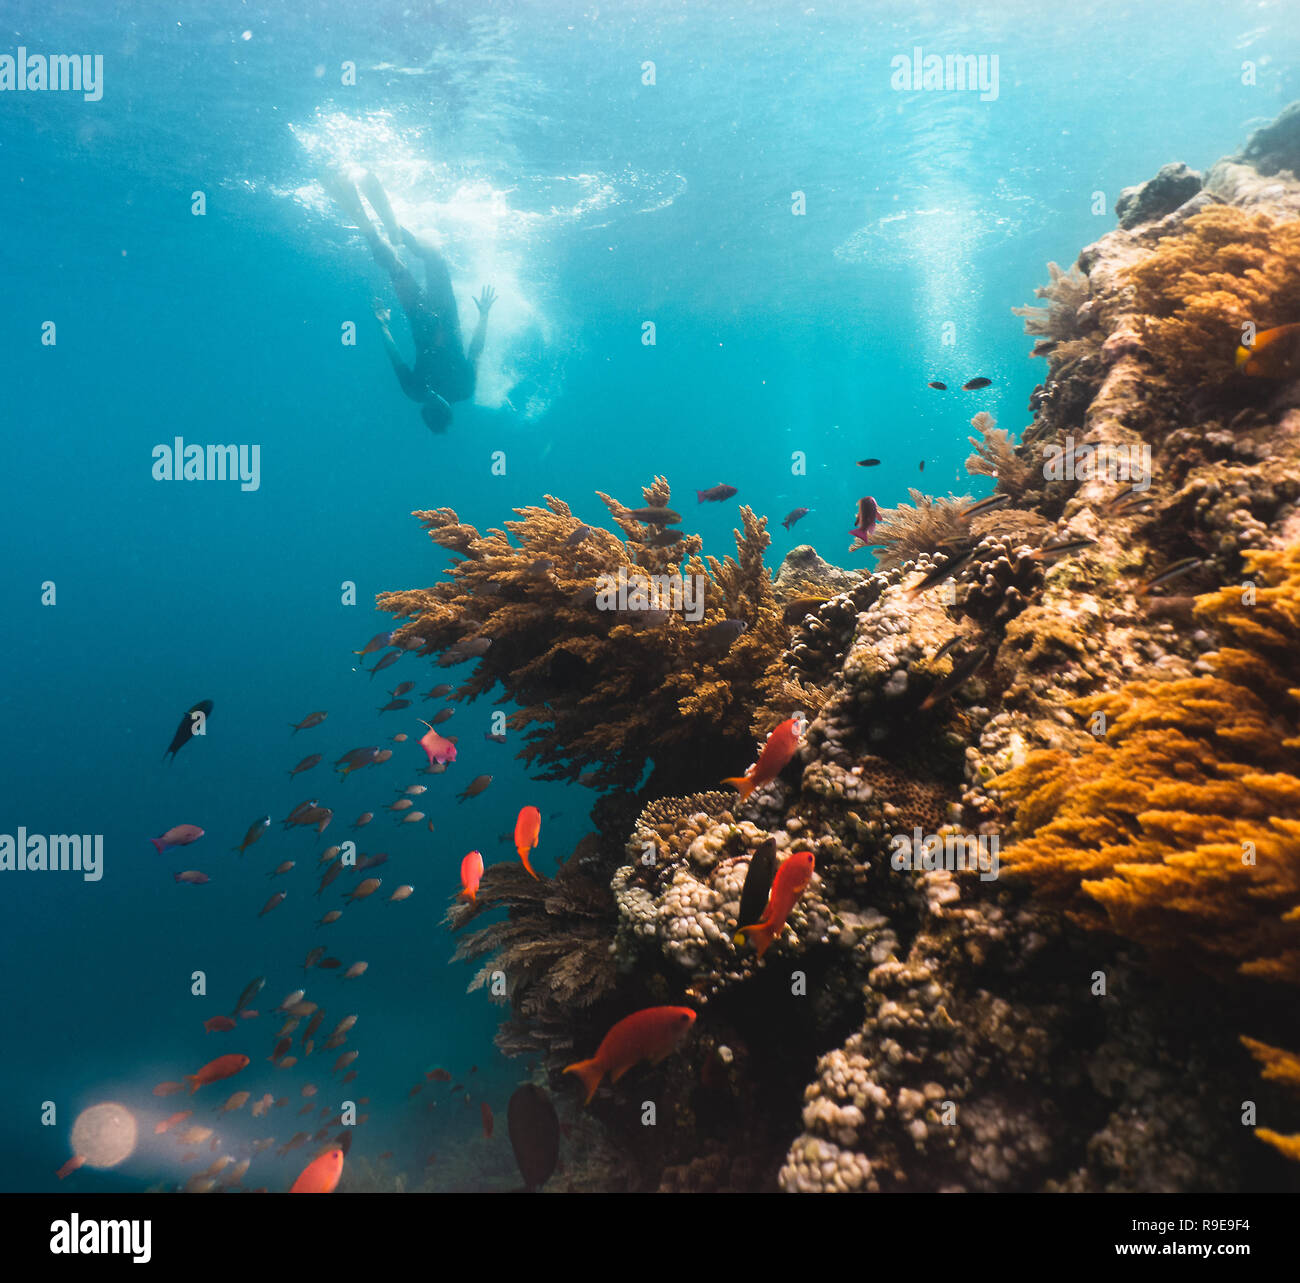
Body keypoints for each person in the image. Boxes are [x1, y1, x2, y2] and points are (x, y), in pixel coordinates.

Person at [328, 170, 495, 432]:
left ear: (447, 413)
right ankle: (378, 235)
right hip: (418, 316)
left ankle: (397, 234)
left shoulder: (464, 390)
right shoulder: (415, 392)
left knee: (432, 254)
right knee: (395, 267)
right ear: (427, 412)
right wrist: (383, 324)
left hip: (445, 312)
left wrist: (484, 315)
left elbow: (476, 350)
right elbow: (395, 357)